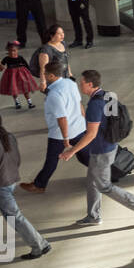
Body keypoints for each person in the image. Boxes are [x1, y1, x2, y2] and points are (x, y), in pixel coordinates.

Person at [59, 69, 134, 226]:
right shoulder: (108, 95)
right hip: (110, 145)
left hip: (101, 150)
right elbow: (112, 122)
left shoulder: (95, 104)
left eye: (82, 83)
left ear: (90, 84)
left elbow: (91, 134)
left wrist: (71, 151)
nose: (80, 86)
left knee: (104, 186)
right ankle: (93, 216)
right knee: (92, 182)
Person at [0, 111, 51, 260]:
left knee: (16, 218)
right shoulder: (9, 137)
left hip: (1, 187)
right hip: (11, 181)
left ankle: (40, 245)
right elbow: (17, 159)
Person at [19, 62, 86, 194]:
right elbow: (79, 103)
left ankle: (39, 185)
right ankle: (106, 173)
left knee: (51, 160)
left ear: (51, 76)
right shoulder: (70, 83)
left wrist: (65, 138)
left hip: (60, 134)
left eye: (44, 74)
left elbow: (61, 118)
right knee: (86, 155)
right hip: (79, 127)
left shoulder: (54, 94)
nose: (42, 75)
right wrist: (85, 121)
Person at [0, 41, 38, 109]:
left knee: (25, 89)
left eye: (14, 50)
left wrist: (30, 74)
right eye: (10, 51)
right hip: (11, 76)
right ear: (8, 50)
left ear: (17, 50)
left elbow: (26, 66)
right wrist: (0, 67)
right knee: (14, 89)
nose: (12, 52)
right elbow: (0, 67)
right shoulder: (6, 59)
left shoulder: (20, 58)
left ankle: (29, 102)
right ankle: (17, 102)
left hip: (21, 75)